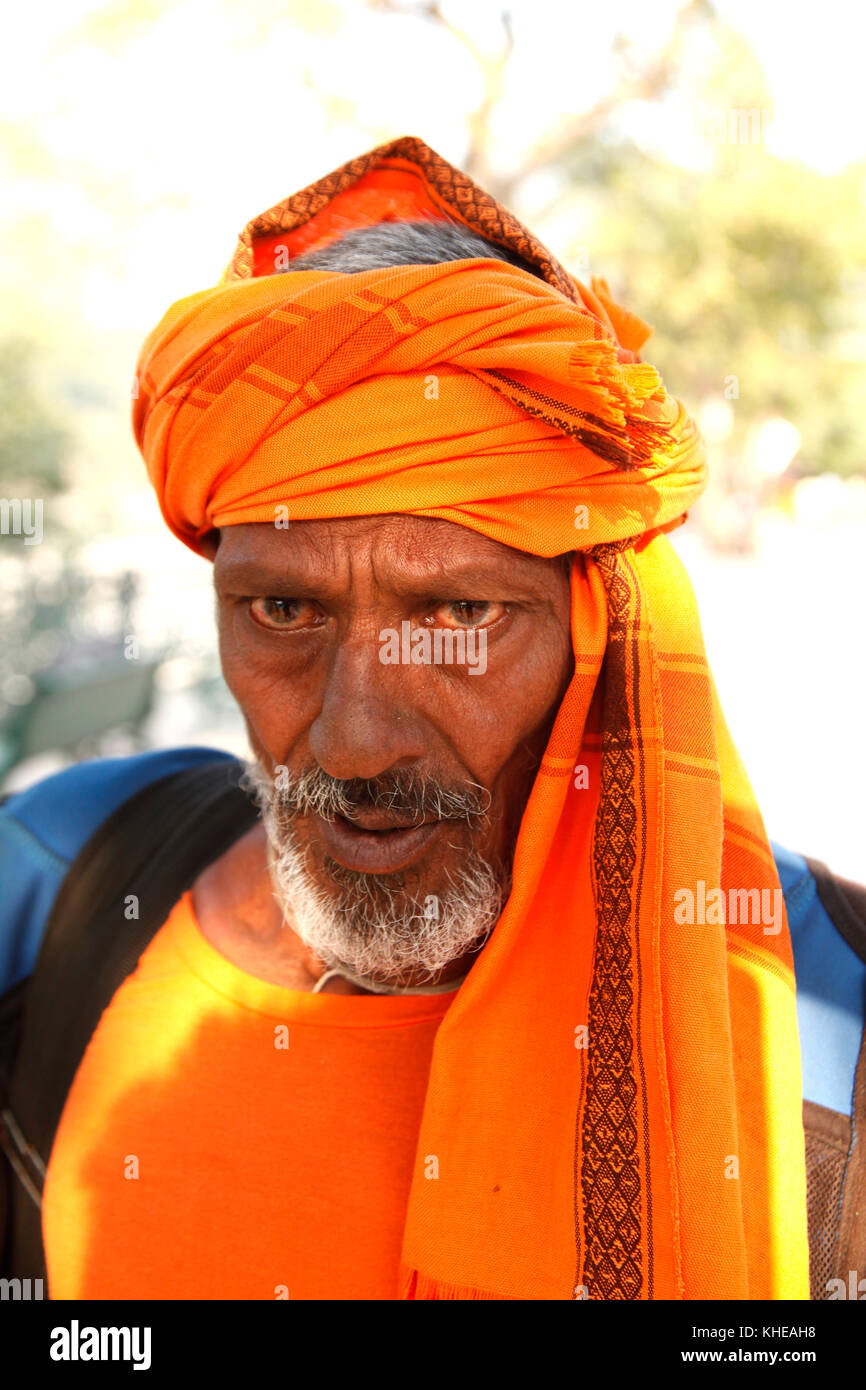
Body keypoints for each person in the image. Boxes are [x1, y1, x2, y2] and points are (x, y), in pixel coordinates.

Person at [1, 136, 863, 1302]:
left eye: (459, 613)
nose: (355, 742)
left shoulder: (825, 1019)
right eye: (281, 608)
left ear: (594, 625)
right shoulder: (60, 878)